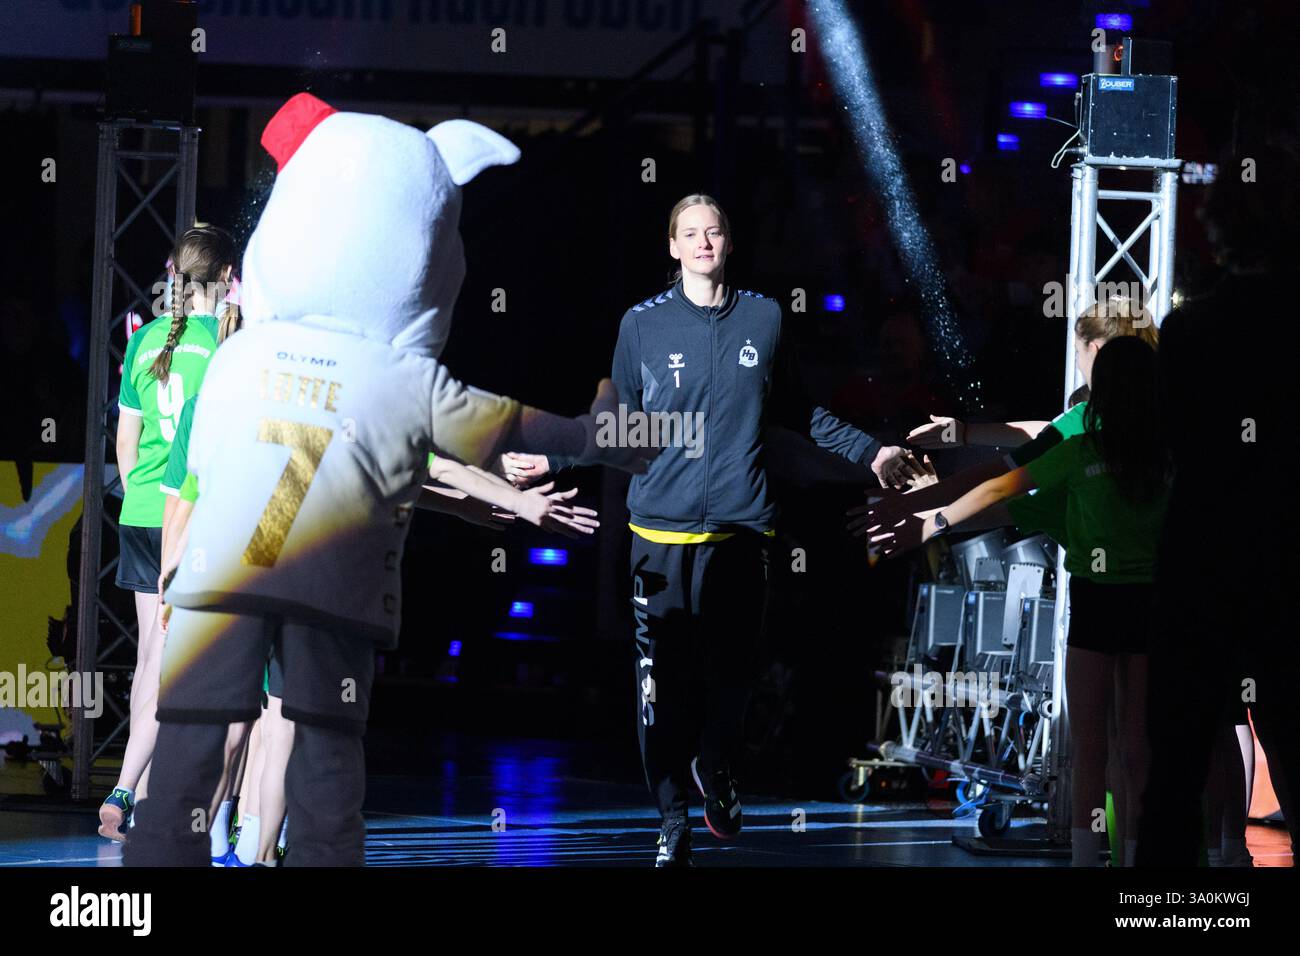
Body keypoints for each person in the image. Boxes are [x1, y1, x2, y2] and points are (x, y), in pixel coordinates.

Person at [123, 93, 654, 867]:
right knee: (326, 762)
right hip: (329, 588)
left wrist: (176, 574)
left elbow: (201, 483)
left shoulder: (237, 359)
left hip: (220, 579)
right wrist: (622, 431)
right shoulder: (404, 379)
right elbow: (537, 434)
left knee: (188, 751)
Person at [525, 193, 922, 866]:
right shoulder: (641, 326)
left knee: (729, 679)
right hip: (658, 537)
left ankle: (718, 764)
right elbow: (618, 423)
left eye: (715, 231)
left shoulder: (764, 318)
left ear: (730, 244)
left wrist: (872, 452)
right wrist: (557, 453)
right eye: (690, 232)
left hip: (740, 534)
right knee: (660, 693)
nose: (704, 241)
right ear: (672, 247)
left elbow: (799, 410)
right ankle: (672, 823)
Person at [872, 336, 1168, 867]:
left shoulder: (1081, 452)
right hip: (1152, 608)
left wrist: (932, 520)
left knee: (1090, 744)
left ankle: (1083, 857)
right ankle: (1136, 863)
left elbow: (998, 491)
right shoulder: (1169, 460)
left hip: (1098, 610)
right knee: (1138, 747)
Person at [99, 225, 236, 841]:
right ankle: (131, 788)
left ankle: (140, 791)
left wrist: (142, 498)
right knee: (181, 664)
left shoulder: (147, 338)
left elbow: (124, 443)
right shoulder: (229, 345)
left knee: (150, 657)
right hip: (195, 518)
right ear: (228, 277)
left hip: (141, 514)